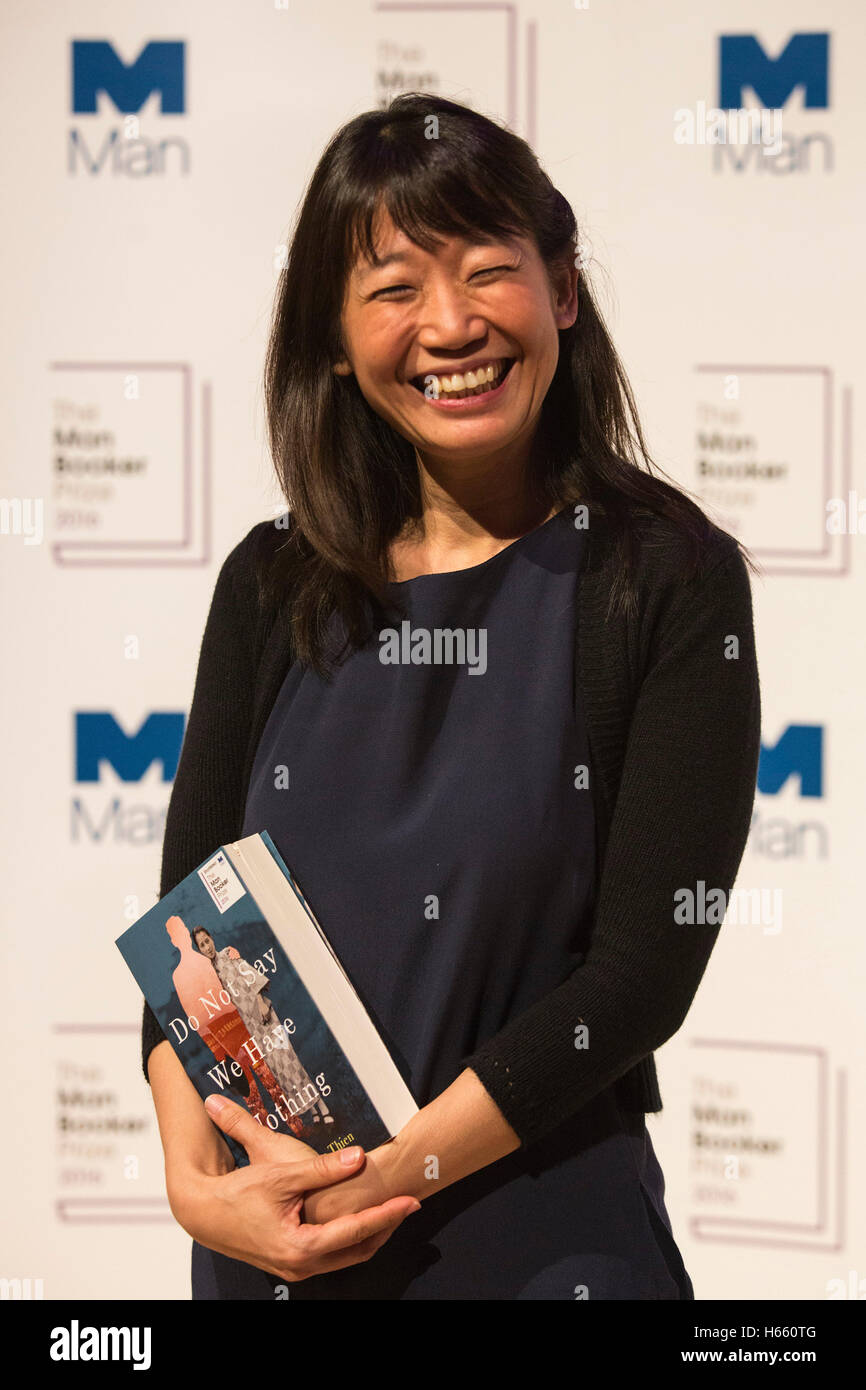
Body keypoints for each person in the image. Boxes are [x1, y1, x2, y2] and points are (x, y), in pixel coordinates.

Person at [141, 93, 761, 1299]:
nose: (450, 323)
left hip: (541, 1249)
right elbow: (187, 934)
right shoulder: (272, 582)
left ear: (562, 293)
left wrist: (381, 1182)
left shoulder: (661, 577)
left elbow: (638, 979)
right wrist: (195, 1188)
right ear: (331, 337)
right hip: (270, 1249)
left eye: (488, 270)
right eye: (392, 290)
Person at [192, 926, 334, 1132]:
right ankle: (312, 1112)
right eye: (202, 945)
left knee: (288, 1059)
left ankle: (322, 1106)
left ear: (212, 938)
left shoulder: (228, 955)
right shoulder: (210, 975)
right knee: (278, 1069)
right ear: (199, 950)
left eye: (207, 941)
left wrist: (260, 1002)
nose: (207, 947)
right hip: (249, 1025)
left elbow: (250, 975)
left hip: (262, 1013)